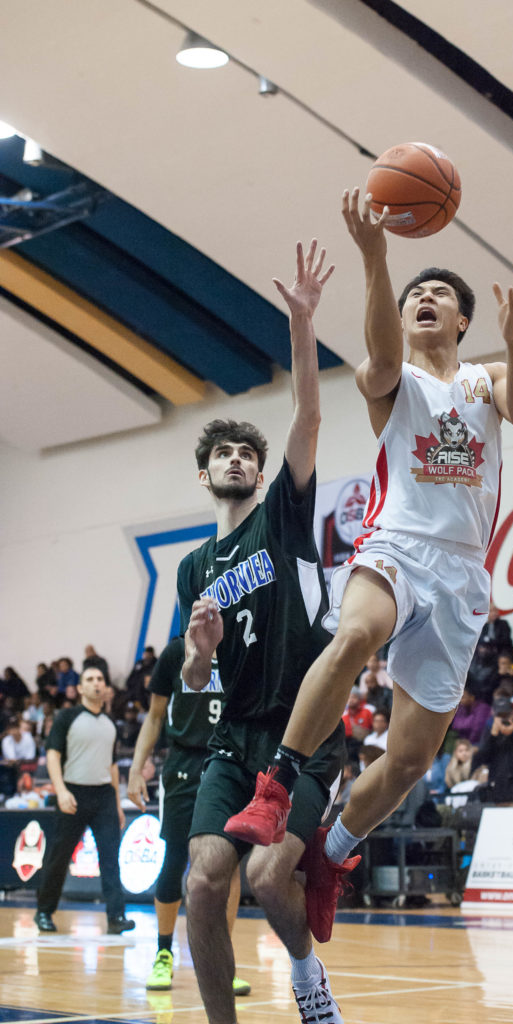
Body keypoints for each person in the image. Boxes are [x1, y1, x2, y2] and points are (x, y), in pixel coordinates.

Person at [225, 188, 513, 946]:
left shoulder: (485, 379)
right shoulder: (393, 378)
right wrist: (376, 260)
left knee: (409, 761)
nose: (426, 298)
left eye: (440, 295)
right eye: (414, 295)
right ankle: (273, 789)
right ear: (399, 319)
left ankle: (332, 857)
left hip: (463, 572)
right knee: (355, 636)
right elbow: (383, 354)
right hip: (395, 544)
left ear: (463, 320)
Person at [176, 241, 348, 1024]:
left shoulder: (282, 518)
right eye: (226, 453)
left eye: (248, 451)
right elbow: (191, 682)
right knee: (203, 882)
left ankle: (307, 977)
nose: (239, 459)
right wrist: (201, 656)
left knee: (274, 879)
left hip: (300, 734)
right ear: (205, 474)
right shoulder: (191, 568)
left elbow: (308, 413)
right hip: (231, 739)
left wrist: (301, 323)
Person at [126, 636, 250, 995]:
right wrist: (137, 768)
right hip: (184, 762)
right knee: (176, 856)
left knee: (229, 862)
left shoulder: (242, 644)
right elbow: (153, 716)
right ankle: (163, 954)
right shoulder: (176, 651)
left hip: (230, 762)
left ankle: (223, 964)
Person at [34, 667, 134, 934]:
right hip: (73, 793)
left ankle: (116, 917)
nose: (96, 683)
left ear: (106, 687)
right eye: (89, 679)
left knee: (111, 858)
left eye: (100, 679)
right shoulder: (67, 717)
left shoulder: (110, 723)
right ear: (79, 688)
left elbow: (112, 767)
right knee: (59, 857)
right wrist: (61, 790)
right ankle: (44, 911)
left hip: (103, 796)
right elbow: (53, 756)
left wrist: (116, 803)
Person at [471, 697, 513, 805]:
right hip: (498, 788)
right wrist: (492, 737)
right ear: (494, 715)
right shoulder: (490, 730)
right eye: (500, 716)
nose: (503, 719)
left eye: (506, 715)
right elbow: (482, 758)